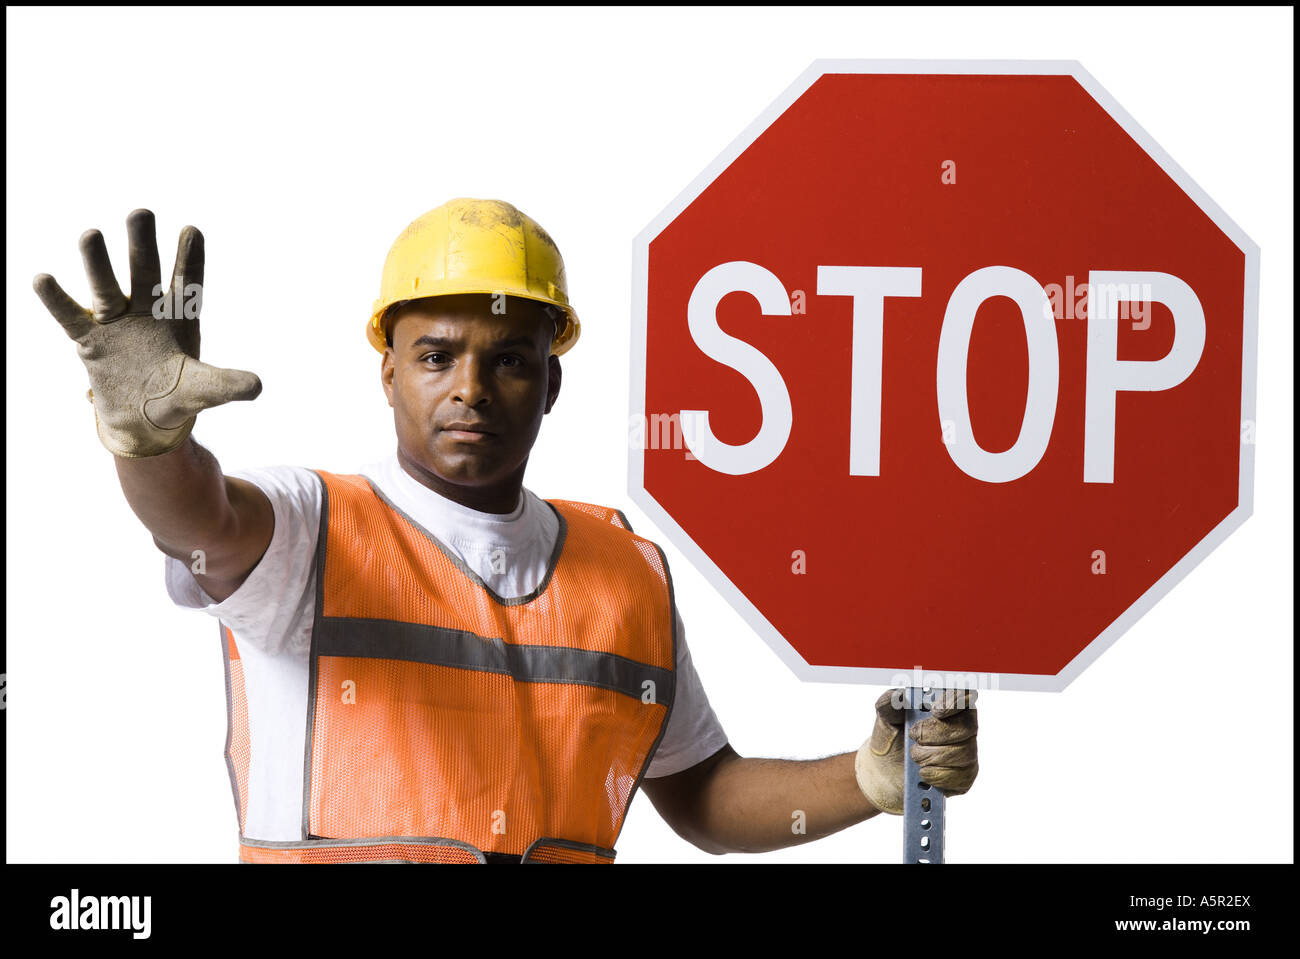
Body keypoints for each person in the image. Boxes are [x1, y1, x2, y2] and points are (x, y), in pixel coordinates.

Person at [34, 198, 979, 863]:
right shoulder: (312, 532)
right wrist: (149, 443)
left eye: (510, 360)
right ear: (389, 374)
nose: (471, 389)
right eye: (436, 356)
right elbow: (200, 517)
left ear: (551, 381)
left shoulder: (626, 571)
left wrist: (869, 778)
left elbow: (702, 797)